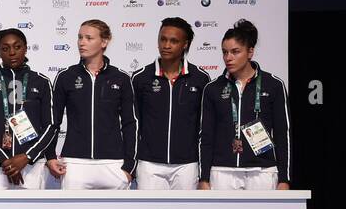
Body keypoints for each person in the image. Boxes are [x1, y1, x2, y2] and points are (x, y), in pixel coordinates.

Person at [199, 19, 292, 190]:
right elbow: (206, 136)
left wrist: (284, 178)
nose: (228, 58)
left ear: (250, 52)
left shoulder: (274, 85)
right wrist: (203, 177)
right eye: (224, 52)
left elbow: (282, 134)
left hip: (262, 171)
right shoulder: (212, 88)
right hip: (222, 171)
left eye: (235, 52)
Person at [45, 20, 138, 189]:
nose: (82, 42)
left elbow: (130, 124)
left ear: (104, 42)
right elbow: (53, 121)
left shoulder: (121, 78)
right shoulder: (66, 76)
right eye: (80, 37)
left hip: (114, 164)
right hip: (74, 163)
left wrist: (130, 165)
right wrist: (50, 156)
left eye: (89, 38)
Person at [0, 28, 57, 190]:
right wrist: (4, 160)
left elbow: (51, 125)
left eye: (17, 47)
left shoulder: (42, 81)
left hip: (32, 164)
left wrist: (27, 157)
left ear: (25, 48)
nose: (12, 52)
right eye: (5, 48)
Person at [130, 17, 211, 189]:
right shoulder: (140, 78)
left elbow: (204, 127)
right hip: (149, 163)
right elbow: (133, 124)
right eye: (163, 39)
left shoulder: (201, 79)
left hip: (187, 164)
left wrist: (204, 171)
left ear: (185, 44)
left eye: (173, 41)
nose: (166, 45)